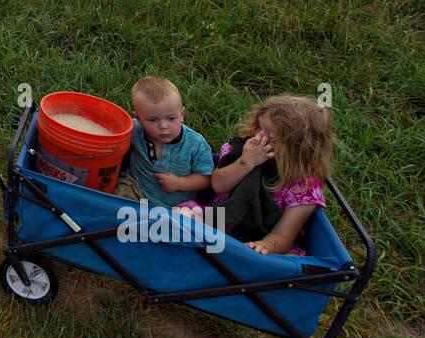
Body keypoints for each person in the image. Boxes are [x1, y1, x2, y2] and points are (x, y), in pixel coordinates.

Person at [175, 96, 331, 255]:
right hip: (220, 217)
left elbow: (283, 234)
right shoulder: (241, 150)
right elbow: (218, 185)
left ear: (297, 148)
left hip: (263, 236)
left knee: (291, 259)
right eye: (259, 127)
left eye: (270, 135)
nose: (259, 137)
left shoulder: (304, 187)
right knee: (183, 214)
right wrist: (245, 163)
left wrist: (263, 246)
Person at [112, 76, 214, 207]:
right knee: (117, 199)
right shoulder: (134, 130)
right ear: (139, 118)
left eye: (171, 118)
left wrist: (179, 183)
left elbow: (205, 178)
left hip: (176, 204)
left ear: (182, 114)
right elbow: (113, 133)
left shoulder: (195, 144)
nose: (163, 126)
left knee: (191, 219)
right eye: (153, 120)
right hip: (136, 187)